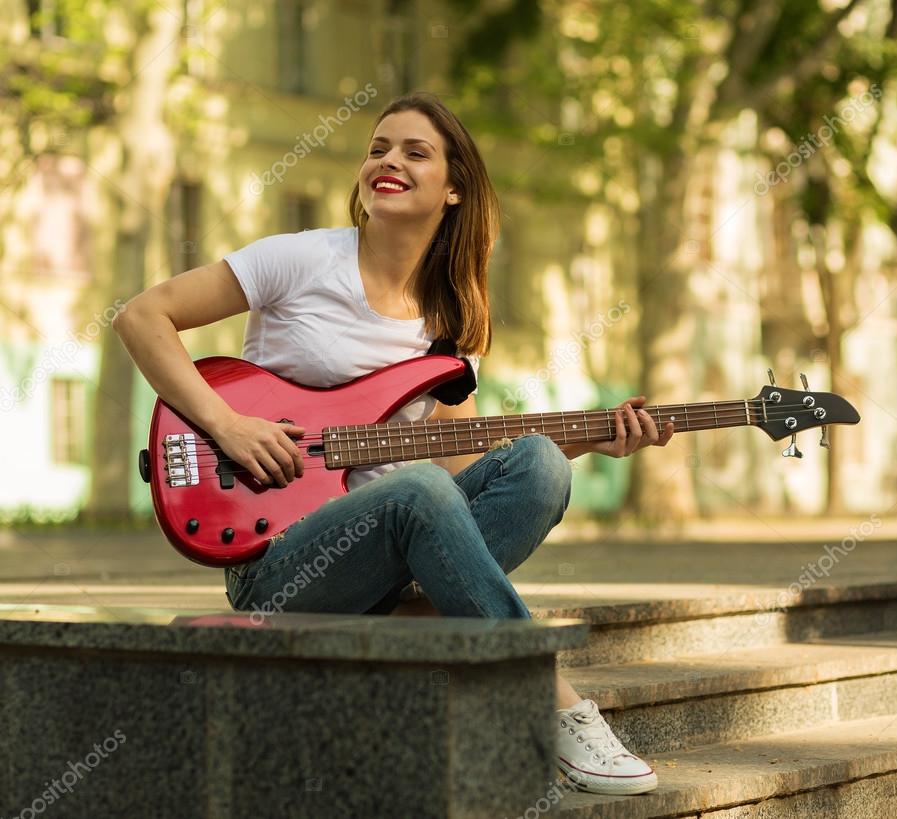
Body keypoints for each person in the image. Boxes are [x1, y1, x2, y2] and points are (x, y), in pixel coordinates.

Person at [113, 91, 674, 797]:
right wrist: (227, 424)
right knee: (416, 489)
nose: (389, 161)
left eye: (415, 152)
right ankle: (547, 697)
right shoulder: (300, 259)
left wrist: (593, 440)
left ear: (454, 187)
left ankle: (419, 617)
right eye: (378, 148)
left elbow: (457, 461)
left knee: (539, 464)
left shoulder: (454, 315)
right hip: (282, 566)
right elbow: (142, 317)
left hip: (389, 557)